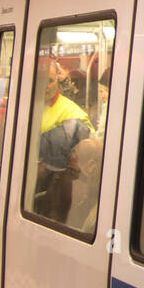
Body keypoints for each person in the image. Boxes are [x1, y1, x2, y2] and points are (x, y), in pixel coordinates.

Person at [37, 59, 93, 221]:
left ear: (58, 81)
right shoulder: (29, 106)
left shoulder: (71, 112)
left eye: (50, 81)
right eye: (41, 80)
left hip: (55, 189)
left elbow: (88, 150)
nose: (46, 86)